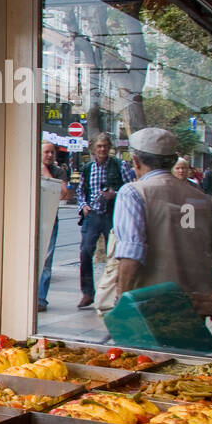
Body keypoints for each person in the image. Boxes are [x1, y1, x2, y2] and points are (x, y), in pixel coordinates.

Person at [113, 127, 212, 322]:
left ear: (136, 161)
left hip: (152, 304)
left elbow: (131, 254)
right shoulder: (201, 198)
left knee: (150, 354)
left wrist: (121, 303)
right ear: (172, 160)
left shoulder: (133, 193)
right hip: (196, 304)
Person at [76, 131, 124, 308]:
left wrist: (114, 194)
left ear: (109, 148)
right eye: (99, 146)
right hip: (93, 215)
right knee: (85, 252)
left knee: (116, 255)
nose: (102, 149)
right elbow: (81, 191)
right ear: (93, 149)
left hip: (112, 215)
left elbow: (129, 190)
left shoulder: (119, 165)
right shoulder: (88, 168)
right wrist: (84, 206)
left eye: (105, 146)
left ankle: (115, 293)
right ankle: (88, 292)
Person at [37, 140, 70, 313]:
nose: (49, 155)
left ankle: (40, 298)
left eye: (52, 152)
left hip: (50, 219)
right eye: (46, 152)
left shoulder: (58, 172)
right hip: (32, 218)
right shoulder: (30, 168)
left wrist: (44, 171)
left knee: (46, 259)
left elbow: (63, 193)